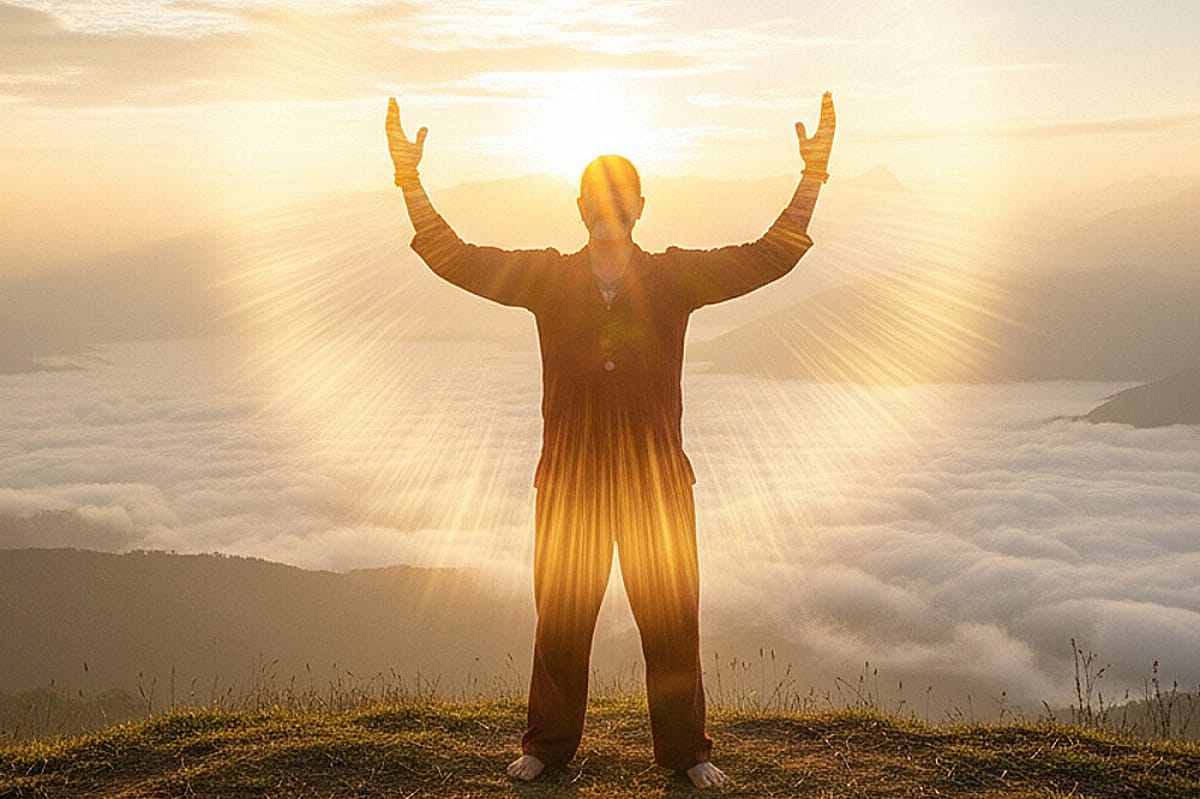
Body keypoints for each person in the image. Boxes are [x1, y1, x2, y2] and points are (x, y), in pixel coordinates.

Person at [385, 93, 835, 790]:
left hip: (656, 478)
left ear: (641, 205)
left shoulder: (676, 276)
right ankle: (548, 746)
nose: (607, 204)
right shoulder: (546, 276)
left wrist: (814, 176)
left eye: (618, 194)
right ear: (579, 206)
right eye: (596, 193)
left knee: (671, 618)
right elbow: (456, 258)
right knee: (560, 618)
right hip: (570, 478)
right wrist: (408, 182)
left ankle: (687, 752)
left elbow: (767, 257)